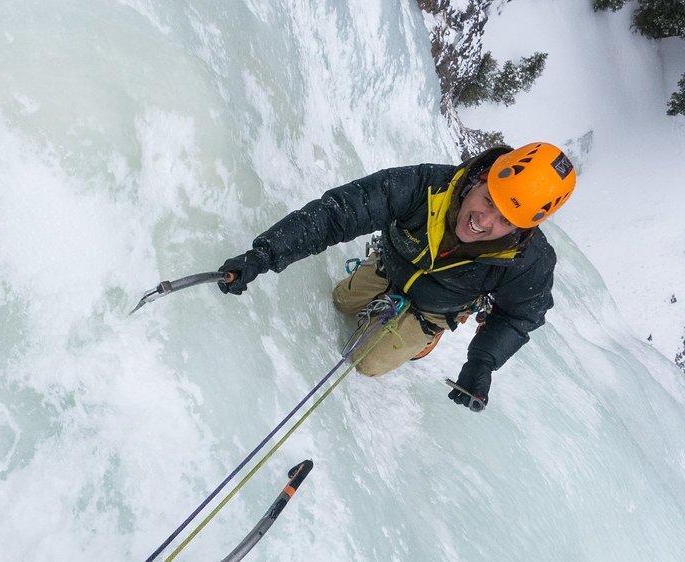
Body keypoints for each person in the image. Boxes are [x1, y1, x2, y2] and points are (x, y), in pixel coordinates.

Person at [216, 142, 576, 412]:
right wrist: (263, 255)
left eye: (505, 221)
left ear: (524, 228)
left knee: (366, 362)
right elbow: (337, 215)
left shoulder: (529, 261)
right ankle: (381, 282)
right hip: (394, 262)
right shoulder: (424, 187)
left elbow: (520, 315)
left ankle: (424, 335)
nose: (484, 221)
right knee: (341, 301)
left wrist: (482, 361)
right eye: (488, 200)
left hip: (437, 306)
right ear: (479, 179)